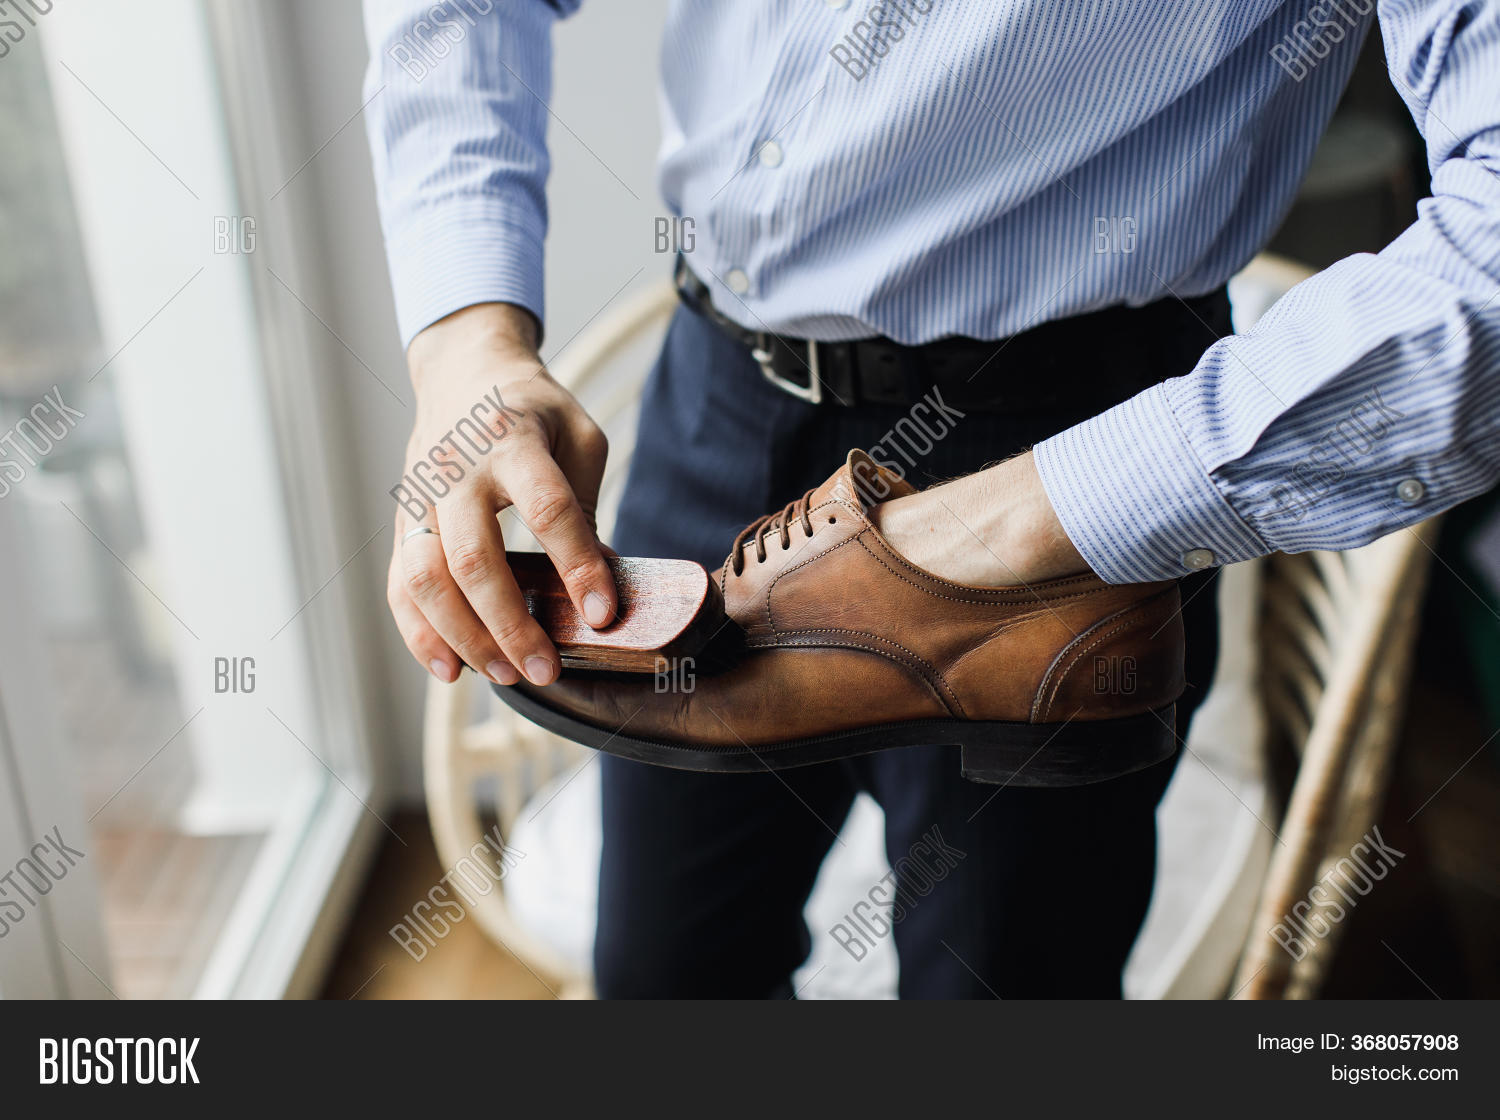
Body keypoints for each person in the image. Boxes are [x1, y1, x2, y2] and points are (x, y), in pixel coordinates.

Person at [362, 1, 1500, 997]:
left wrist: (1025, 517)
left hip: (1061, 469)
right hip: (717, 391)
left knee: (1002, 1011)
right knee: (667, 977)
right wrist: (467, 336)